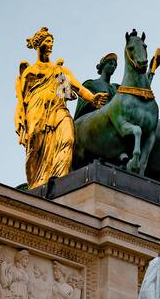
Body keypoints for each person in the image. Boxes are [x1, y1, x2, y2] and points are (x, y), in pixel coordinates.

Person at [14, 27, 106, 188]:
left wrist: (92, 98)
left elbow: (78, 88)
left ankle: (60, 180)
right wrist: (20, 117)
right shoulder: (30, 71)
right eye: (47, 41)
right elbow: (21, 99)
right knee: (35, 146)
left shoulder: (60, 70)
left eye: (52, 42)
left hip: (58, 109)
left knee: (68, 138)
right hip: (36, 111)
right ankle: (35, 184)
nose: (50, 45)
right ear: (39, 44)